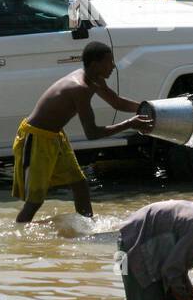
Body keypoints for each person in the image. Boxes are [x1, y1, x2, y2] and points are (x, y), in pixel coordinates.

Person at [12, 41, 153, 222]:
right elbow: (92, 133)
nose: (113, 66)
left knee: (80, 185)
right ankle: (20, 240)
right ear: (96, 64)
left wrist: (147, 109)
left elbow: (116, 102)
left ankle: (88, 229)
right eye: (109, 62)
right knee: (35, 201)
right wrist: (129, 124)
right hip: (36, 137)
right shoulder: (80, 88)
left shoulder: (95, 78)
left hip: (56, 136)